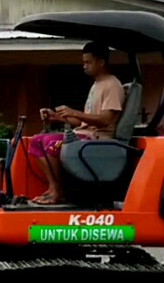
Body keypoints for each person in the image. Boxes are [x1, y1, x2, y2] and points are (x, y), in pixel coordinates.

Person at [27, 41, 125, 204]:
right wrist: (58, 117)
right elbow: (82, 121)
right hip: (84, 135)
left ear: (101, 62)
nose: (84, 66)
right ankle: (53, 187)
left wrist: (74, 112)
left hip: (98, 140)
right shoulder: (96, 85)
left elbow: (105, 120)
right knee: (36, 141)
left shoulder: (112, 85)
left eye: (88, 62)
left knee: (51, 143)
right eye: (83, 62)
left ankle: (59, 191)